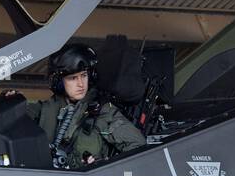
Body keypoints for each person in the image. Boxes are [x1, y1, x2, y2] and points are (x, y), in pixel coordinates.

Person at [14, 44, 145, 169]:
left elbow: (139, 147)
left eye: (84, 75)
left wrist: (105, 166)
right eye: (73, 78)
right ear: (59, 82)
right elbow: (11, 119)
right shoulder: (46, 109)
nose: (81, 84)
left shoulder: (103, 112)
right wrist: (12, 100)